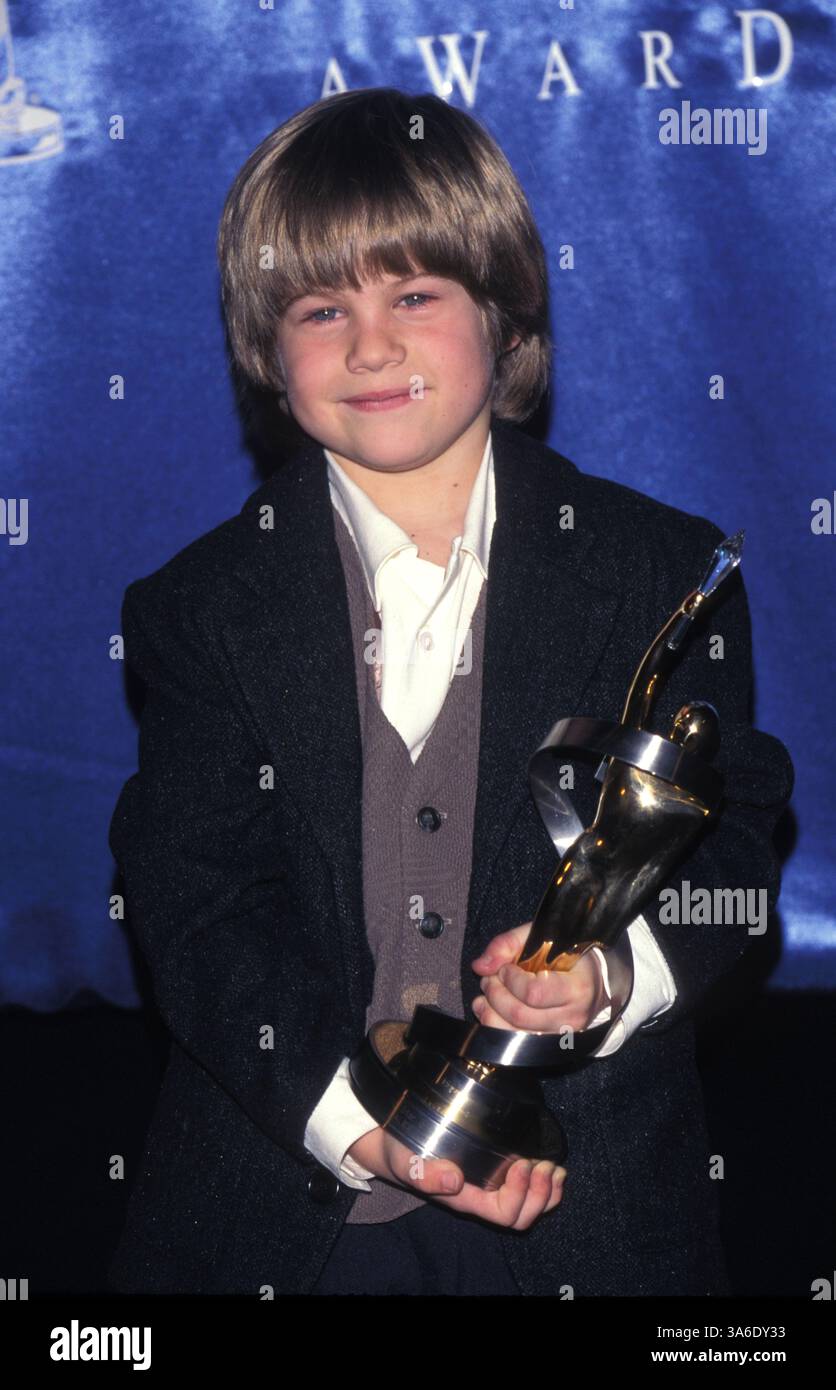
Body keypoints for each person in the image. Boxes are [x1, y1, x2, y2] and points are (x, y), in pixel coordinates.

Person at [106, 87, 793, 1297]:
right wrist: (349, 1116)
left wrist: (606, 973)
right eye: (321, 309)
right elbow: (194, 896)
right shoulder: (197, 606)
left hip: (591, 1210)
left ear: (504, 312)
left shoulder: (659, 570)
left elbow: (730, 851)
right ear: (268, 353)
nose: (369, 347)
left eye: (414, 294)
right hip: (289, 1203)